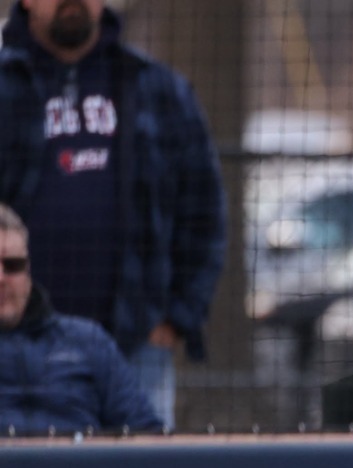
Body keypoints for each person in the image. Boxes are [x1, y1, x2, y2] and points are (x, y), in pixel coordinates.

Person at [0, 0, 226, 432]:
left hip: (136, 346)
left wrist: (177, 318)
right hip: (14, 347)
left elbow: (205, 213)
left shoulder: (158, 90)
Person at [0, 203, 160, 432]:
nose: (0, 278)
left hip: (81, 465)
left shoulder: (89, 342)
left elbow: (147, 433)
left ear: (28, 271)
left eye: (12, 266)